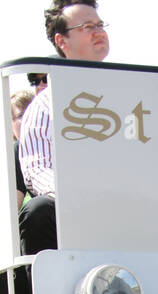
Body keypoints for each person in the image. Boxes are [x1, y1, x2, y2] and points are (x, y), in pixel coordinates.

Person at [18, 2, 110, 254]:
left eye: (100, 25)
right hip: (75, 208)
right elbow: (37, 168)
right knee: (39, 211)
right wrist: (78, 195)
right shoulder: (46, 104)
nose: (98, 32)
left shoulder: (135, 91)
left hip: (133, 204)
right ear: (62, 41)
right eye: (87, 27)